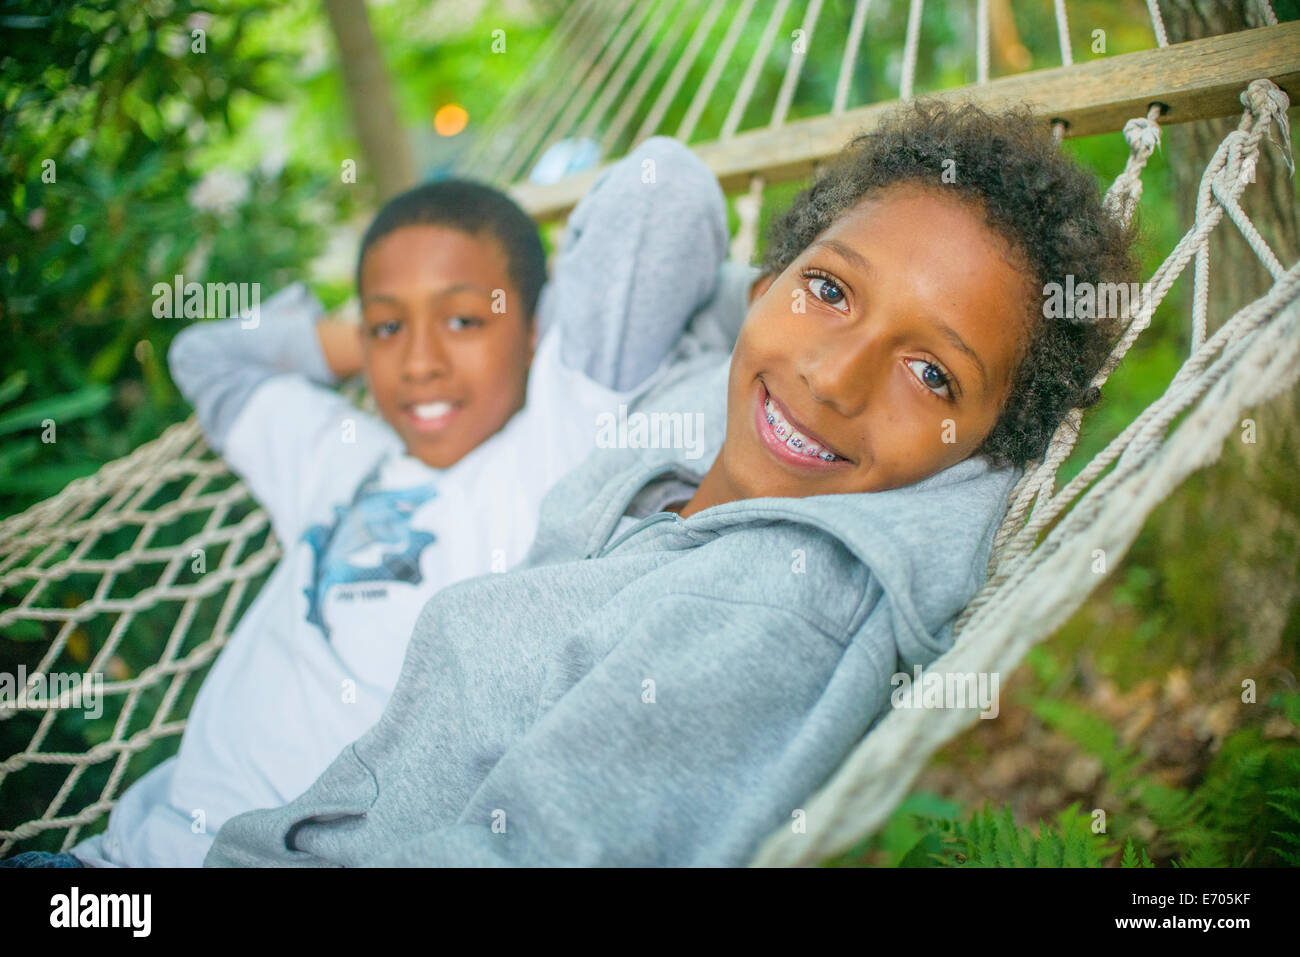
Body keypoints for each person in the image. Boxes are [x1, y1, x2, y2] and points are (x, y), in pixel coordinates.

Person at [203, 99, 1137, 867]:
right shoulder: (699, 407)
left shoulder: (783, 602)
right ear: (765, 282)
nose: (832, 379)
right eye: (831, 289)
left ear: (979, 451)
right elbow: (658, 198)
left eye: (932, 374)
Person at [50, 137, 757, 868]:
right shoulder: (333, 452)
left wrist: (527, 327)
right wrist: (374, 334)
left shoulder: (562, 432)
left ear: (538, 329)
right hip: (109, 863)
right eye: (389, 330)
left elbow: (660, 188)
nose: (420, 364)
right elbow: (205, 355)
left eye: (464, 321)